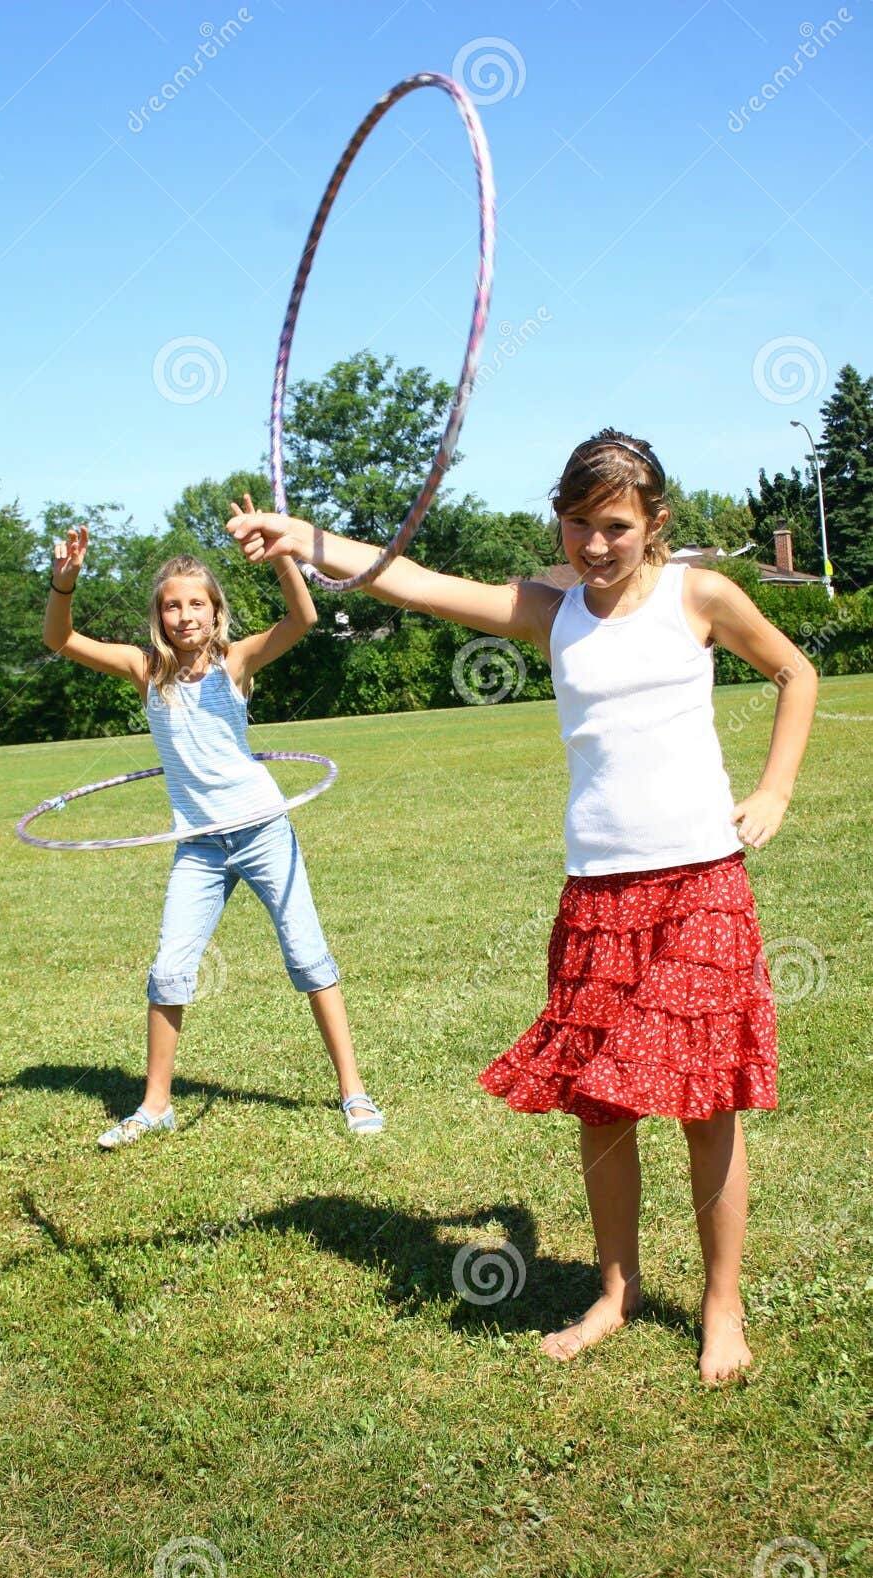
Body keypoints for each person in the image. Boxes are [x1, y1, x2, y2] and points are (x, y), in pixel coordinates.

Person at [226, 430, 819, 1382]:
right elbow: (408, 579)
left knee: (707, 1105)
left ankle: (721, 1305)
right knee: (603, 1105)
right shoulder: (552, 614)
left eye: (615, 525)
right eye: (577, 523)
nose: (594, 544)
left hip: (701, 880)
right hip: (597, 890)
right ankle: (615, 1290)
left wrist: (775, 789)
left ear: (654, 523)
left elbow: (796, 672)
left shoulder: (697, 596)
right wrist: (300, 536)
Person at [43, 503, 383, 1149]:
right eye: (172, 607)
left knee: (307, 956)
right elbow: (60, 641)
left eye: (196, 604)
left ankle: (352, 1091)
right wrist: (65, 583)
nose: (184, 616)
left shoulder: (235, 665)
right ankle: (155, 1104)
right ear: (159, 616)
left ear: (215, 610)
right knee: (169, 970)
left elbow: (303, 617)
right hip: (197, 845)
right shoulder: (146, 671)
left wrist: (279, 548)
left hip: (260, 829)